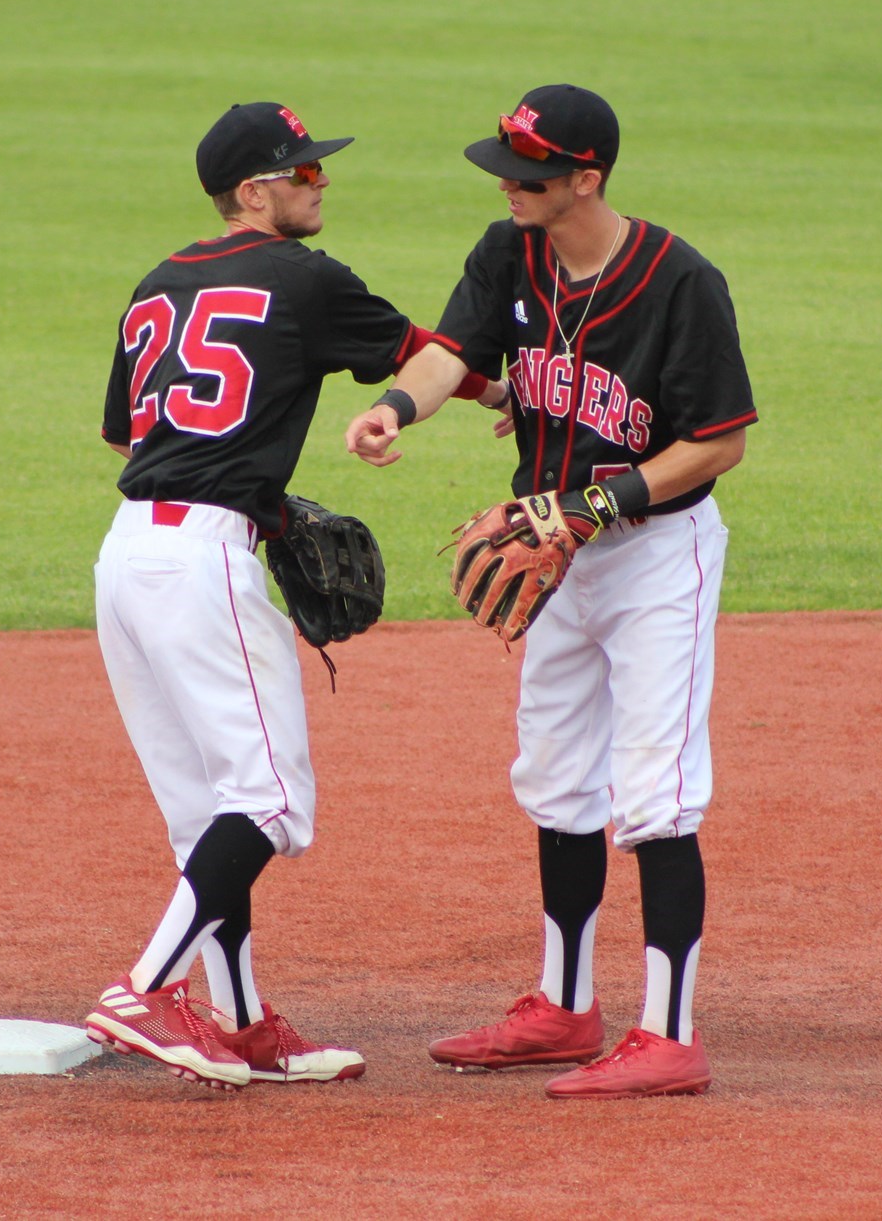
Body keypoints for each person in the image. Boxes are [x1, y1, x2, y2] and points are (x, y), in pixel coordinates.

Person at [344, 85, 756, 1099]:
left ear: (586, 178)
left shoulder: (678, 282)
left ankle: (669, 1033)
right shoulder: (507, 253)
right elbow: (455, 352)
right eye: (503, 167)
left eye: (527, 174)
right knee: (558, 772)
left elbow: (718, 442)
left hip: (655, 553)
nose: (507, 185)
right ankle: (565, 1005)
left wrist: (594, 504)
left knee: (654, 788)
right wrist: (399, 408)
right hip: (551, 547)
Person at [83, 101, 490, 1090]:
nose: (319, 183)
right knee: (267, 799)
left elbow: (122, 437)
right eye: (303, 171)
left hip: (127, 557)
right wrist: (501, 394)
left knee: (205, 812)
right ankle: (144, 988)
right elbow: (429, 353)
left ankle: (239, 1017)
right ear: (253, 192)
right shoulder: (301, 278)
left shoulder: (154, 284)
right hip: (203, 563)